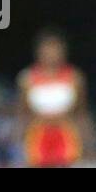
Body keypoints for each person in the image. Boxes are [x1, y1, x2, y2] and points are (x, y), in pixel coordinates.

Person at [16, 30, 88, 167]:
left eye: (56, 49)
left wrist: (88, 144)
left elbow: (82, 114)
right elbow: (22, 114)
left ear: (63, 51)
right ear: (38, 51)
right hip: (38, 135)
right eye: (47, 49)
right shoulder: (27, 79)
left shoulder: (75, 77)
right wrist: (18, 143)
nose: (51, 54)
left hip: (66, 134)